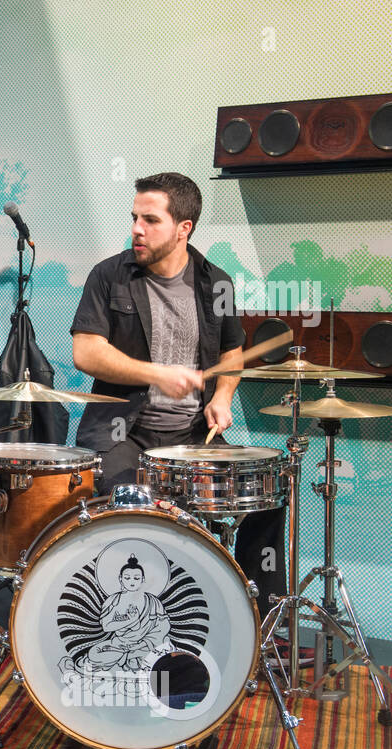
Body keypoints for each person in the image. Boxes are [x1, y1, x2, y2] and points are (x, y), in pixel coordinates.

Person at [70, 172, 287, 623]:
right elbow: (86, 353)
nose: (136, 228)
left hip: (191, 436)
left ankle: (262, 628)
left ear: (184, 227)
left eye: (150, 219)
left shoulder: (217, 283)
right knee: (131, 498)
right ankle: (135, 622)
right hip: (122, 433)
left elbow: (231, 354)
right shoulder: (109, 276)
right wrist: (157, 374)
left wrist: (223, 396)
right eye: (134, 218)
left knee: (262, 501)